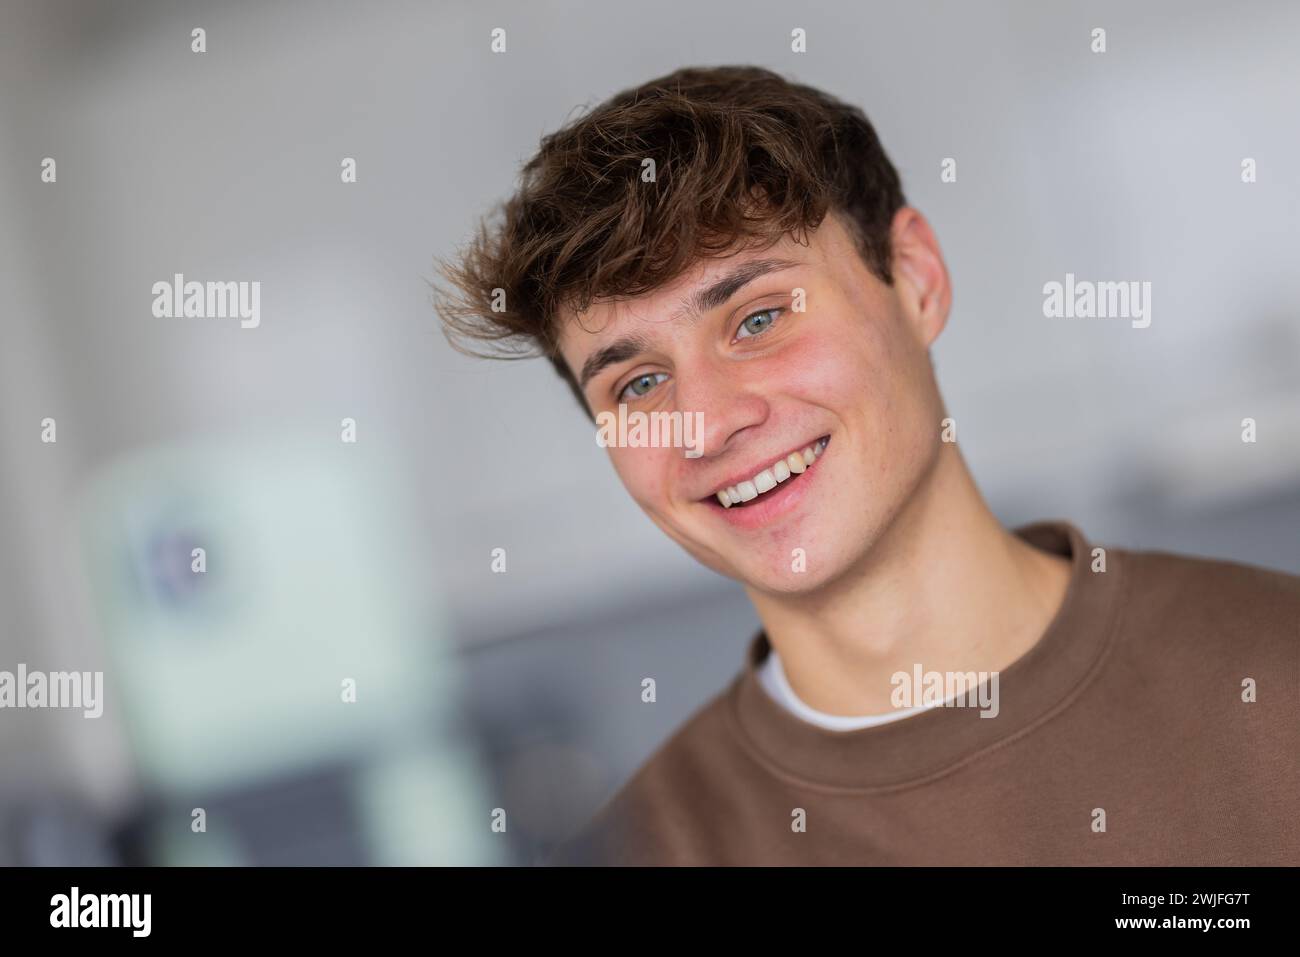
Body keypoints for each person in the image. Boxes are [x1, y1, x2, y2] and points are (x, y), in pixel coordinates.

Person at [433, 65, 1300, 865]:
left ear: (916, 279)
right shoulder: (641, 849)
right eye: (642, 381)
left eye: (759, 318)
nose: (710, 425)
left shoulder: (1274, 679)